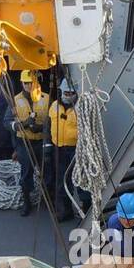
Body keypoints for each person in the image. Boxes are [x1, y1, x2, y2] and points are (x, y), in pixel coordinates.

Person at [46, 78, 89, 222]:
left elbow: (88, 131)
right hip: (58, 149)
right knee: (61, 181)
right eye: (66, 92)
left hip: (76, 150)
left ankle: (87, 211)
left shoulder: (81, 109)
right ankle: (64, 211)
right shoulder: (53, 106)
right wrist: (47, 147)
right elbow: (48, 126)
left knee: (80, 181)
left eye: (71, 93)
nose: (68, 95)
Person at [10, 69, 49, 216]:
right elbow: (7, 122)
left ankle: (47, 199)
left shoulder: (46, 98)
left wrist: (41, 127)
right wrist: (23, 124)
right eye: (25, 83)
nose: (28, 85)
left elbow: (52, 121)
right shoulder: (15, 100)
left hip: (41, 141)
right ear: (21, 83)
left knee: (46, 171)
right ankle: (26, 202)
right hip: (24, 143)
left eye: (30, 83)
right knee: (26, 173)